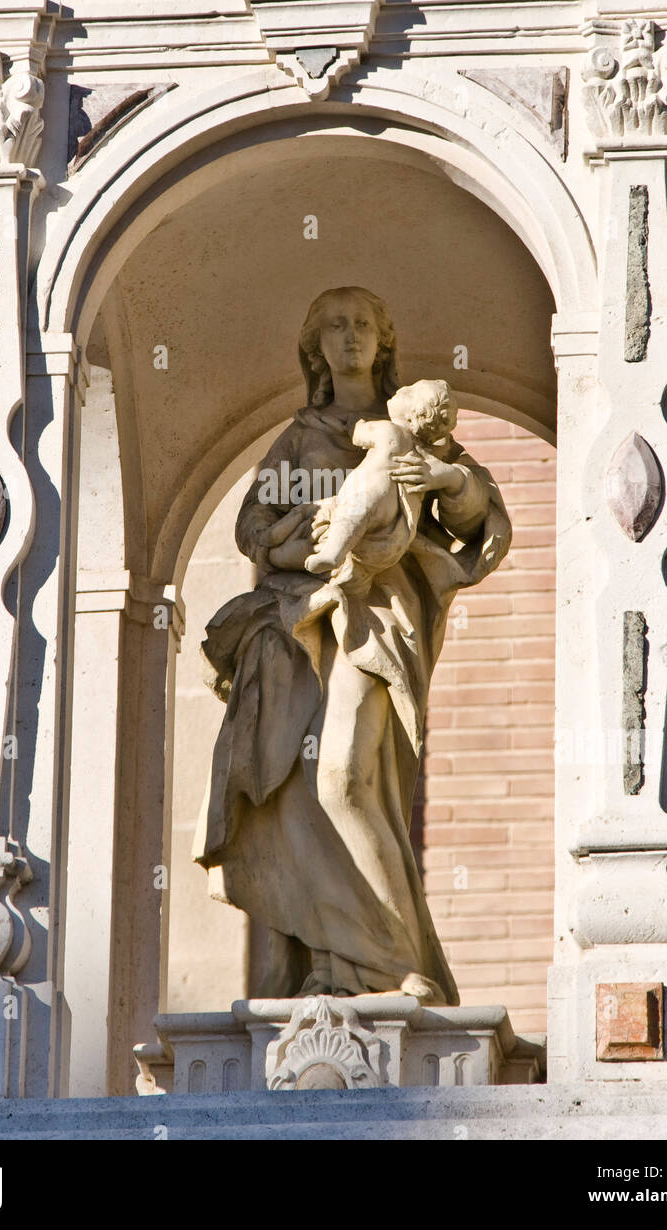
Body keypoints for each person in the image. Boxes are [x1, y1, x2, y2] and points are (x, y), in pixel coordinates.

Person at [194, 286, 511, 1004]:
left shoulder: (407, 426)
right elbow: (252, 525)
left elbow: (480, 516)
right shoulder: (300, 436)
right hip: (300, 619)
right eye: (335, 325)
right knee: (293, 792)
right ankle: (331, 963)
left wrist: (446, 477)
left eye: (364, 324)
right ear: (316, 346)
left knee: (343, 777)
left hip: (376, 618)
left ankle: (400, 958)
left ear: (384, 340)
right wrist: (293, 535)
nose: (351, 336)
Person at [305, 378, 458, 596]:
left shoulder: (387, 430)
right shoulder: (426, 453)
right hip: (397, 529)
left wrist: (348, 423)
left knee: (354, 512)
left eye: (407, 392)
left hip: (372, 492)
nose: (400, 391)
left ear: (412, 414)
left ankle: (333, 552)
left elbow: (358, 434)